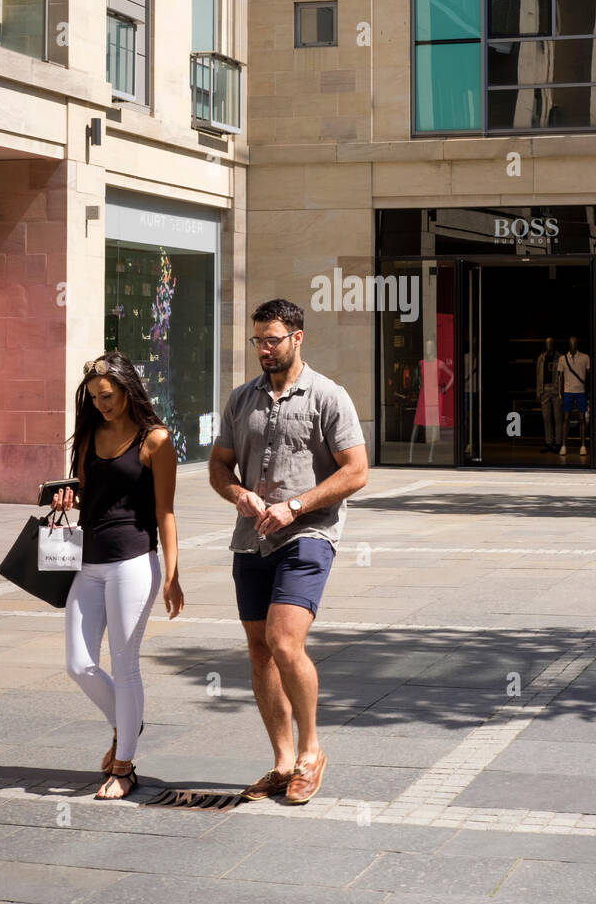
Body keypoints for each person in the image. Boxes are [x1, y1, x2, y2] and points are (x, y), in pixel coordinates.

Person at [209, 299, 368, 805]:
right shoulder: (241, 400)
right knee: (258, 649)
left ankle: (311, 752)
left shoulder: (328, 396)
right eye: (257, 340)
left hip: (309, 535)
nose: (263, 349)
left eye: (272, 339)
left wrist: (295, 506)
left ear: (297, 338)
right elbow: (219, 466)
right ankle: (281, 762)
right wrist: (237, 493)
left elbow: (356, 471)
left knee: (283, 640)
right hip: (251, 538)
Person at [51, 352, 184, 800]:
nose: (101, 405)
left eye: (106, 397)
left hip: (132, 563)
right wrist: (69, 498)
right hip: (86, 563)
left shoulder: (156, 441)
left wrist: (172, 573)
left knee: (124, 667)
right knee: (79, 664)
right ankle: (128, 722)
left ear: (128, 390)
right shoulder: (89, 434)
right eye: (94, 398)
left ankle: (124, 766)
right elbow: (87, 491)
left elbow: (165, 512)